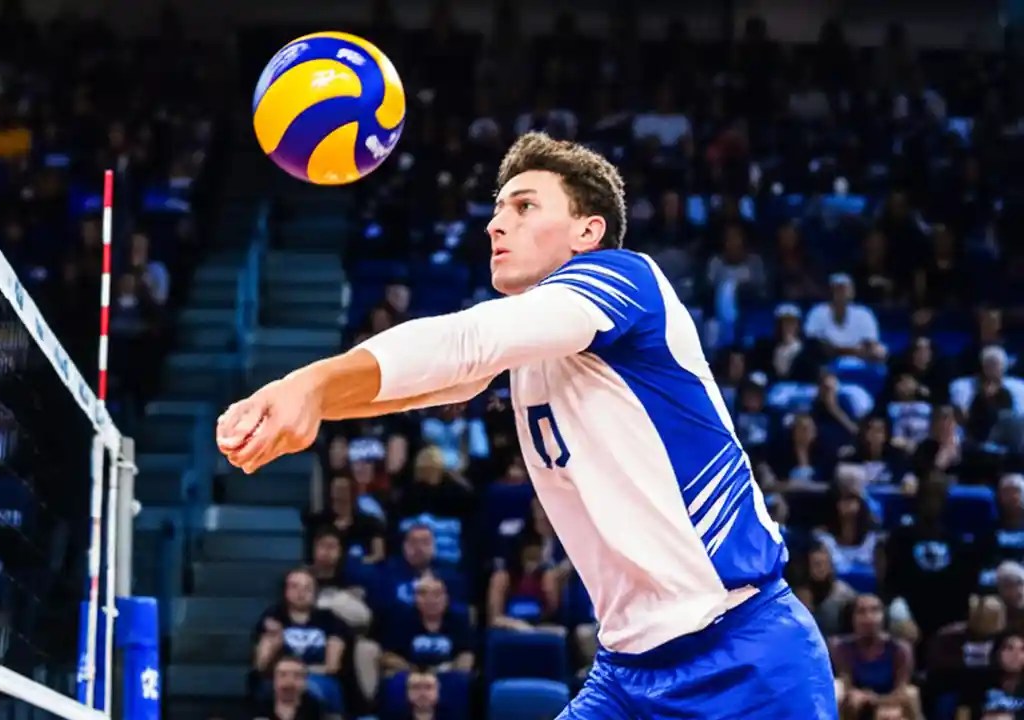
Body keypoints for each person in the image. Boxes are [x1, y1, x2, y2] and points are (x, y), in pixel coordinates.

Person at [217, 132, 835, 718]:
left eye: (524, 204)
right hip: (627, 673)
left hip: (744, 661)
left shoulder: (627, 278)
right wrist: (312, 404)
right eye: (497, 208)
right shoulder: (529, 350)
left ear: (588, 231)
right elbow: (428, 379)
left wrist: (310, 384)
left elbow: (465, 340)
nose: (495, 222)